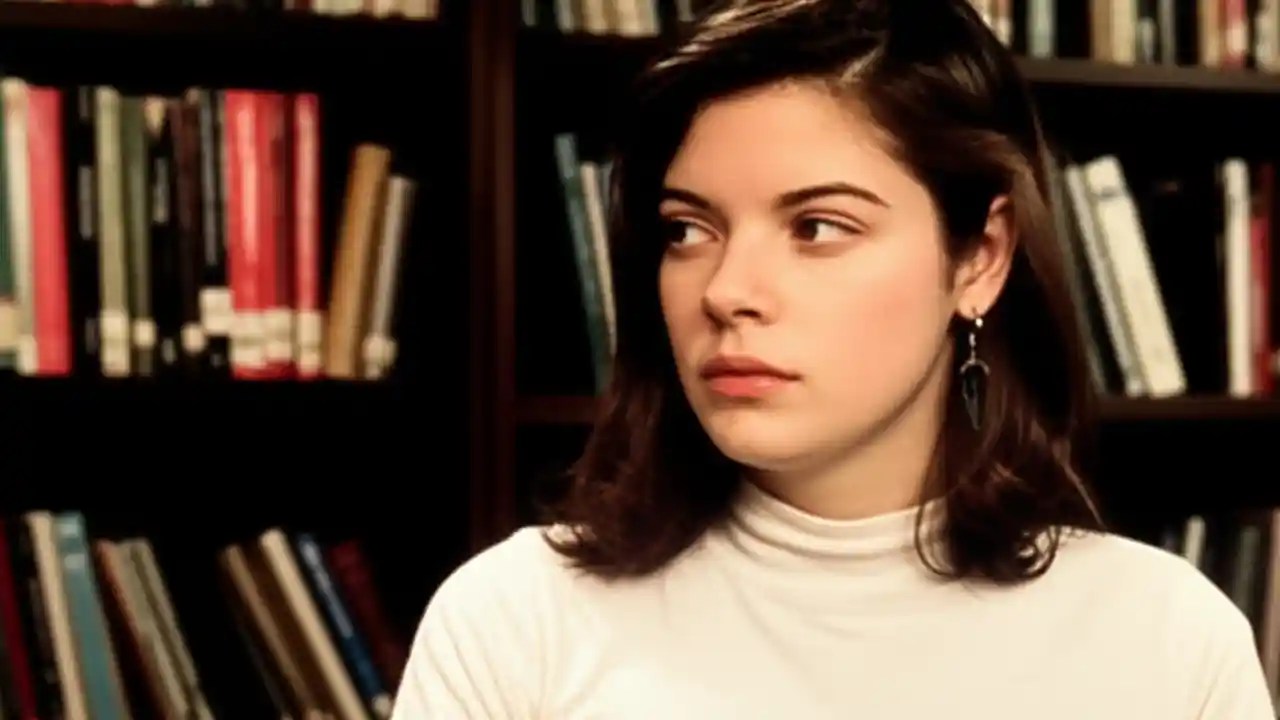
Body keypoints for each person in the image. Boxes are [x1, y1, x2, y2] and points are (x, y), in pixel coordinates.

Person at [390, 0, 1274, 717]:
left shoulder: (1164, 639)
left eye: (818, 227)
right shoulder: (516, 619)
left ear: (981, 257)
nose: (727, 290)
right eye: (688, 230)